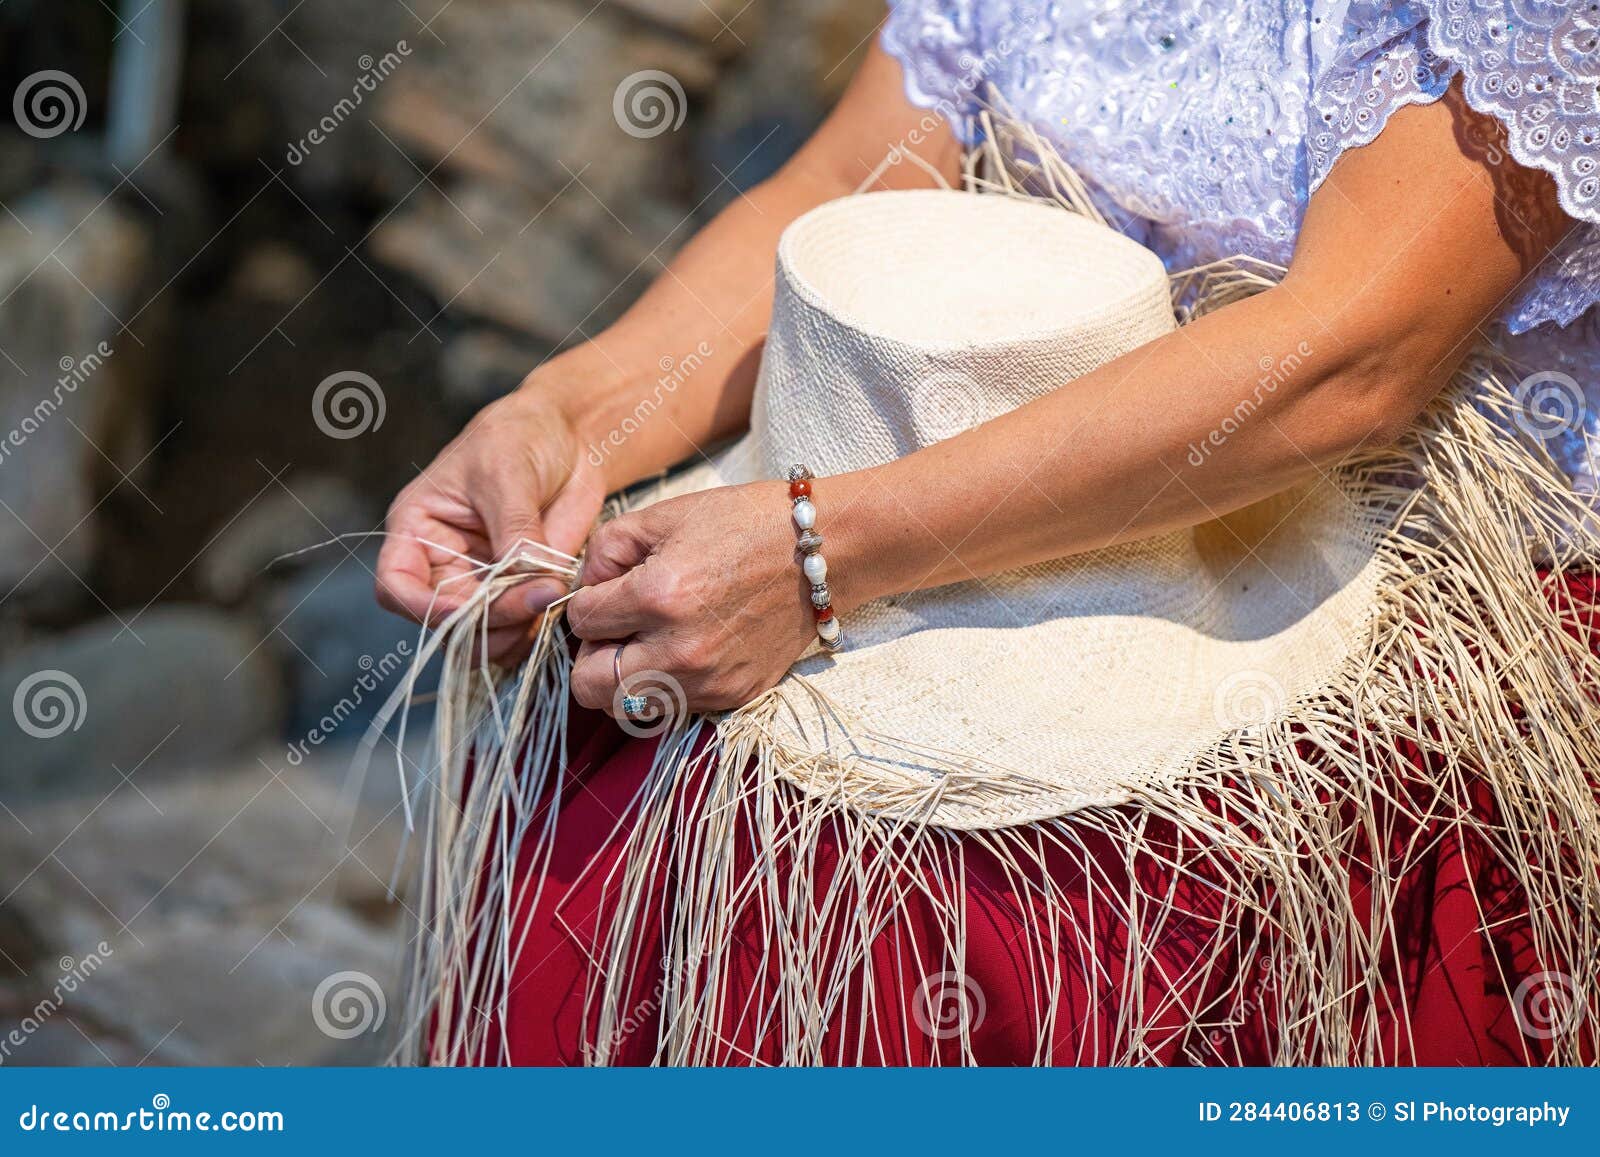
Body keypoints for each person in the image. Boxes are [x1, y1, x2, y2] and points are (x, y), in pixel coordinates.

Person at [375, 1, 1600, 1064]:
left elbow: (1349, 354)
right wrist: (571, 423)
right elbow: (861, 177)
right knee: (620, 808)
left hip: (1352, 574)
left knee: (990, 943)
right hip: (918, 507)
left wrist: (817, 553)